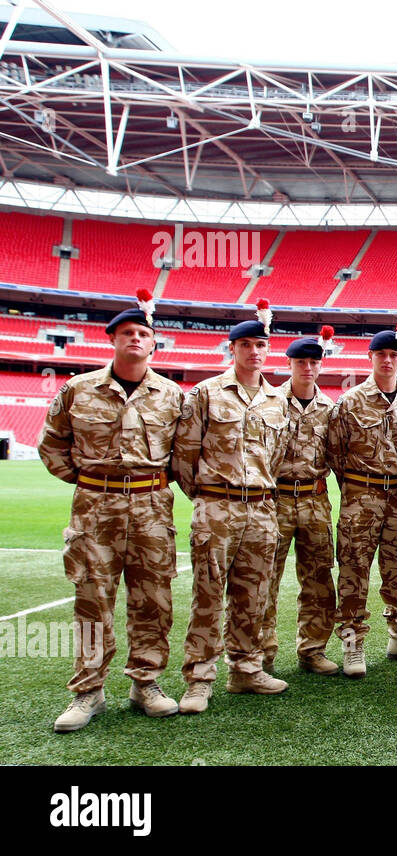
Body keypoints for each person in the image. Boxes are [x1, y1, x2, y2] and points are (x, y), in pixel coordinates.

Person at [39, 290, 183, 731]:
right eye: (127, 333)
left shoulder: (172, 395)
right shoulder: (77, 390)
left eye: (143, 333)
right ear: (113, 340)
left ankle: (146, 684)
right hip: (93, 510)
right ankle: (88, 691)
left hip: (152, 509)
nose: (135, 339)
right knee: (91, 599)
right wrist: (91, 483)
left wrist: (147, 486)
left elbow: (185, 455)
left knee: (153, 600)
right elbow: (52, 445)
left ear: (153, 344)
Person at [171, 299, 290, 714]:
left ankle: (245, 670)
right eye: (246, 344)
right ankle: (199, 678)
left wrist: (255, 493)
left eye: (261, 344)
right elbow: (184, 456)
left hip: (261, 508)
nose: (254, 351)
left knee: (253, 594)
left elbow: (276, 456)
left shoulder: (278, 401)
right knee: (207, 594)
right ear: (232, 348)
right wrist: (209, 497)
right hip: (216, 507)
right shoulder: (206, 393)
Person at [327, 319, 397, 678]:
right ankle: (352, 644)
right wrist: (357, 485)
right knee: (353, 570)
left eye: (393, 355)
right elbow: (335, 452)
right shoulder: (350, 401)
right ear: (370, 358)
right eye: (381, 354)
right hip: (360, 495)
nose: (387, 360)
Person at [259, 327, 338, 677]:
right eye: (300, 362)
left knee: (319, 579)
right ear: (288, 364)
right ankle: (261, 653)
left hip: (315, 498)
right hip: (274, 499)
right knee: (265, 579)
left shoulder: (330, 409)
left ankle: (313, 649)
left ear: (320, 367)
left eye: (313, 362)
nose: (307, 368)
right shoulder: (268, 404)